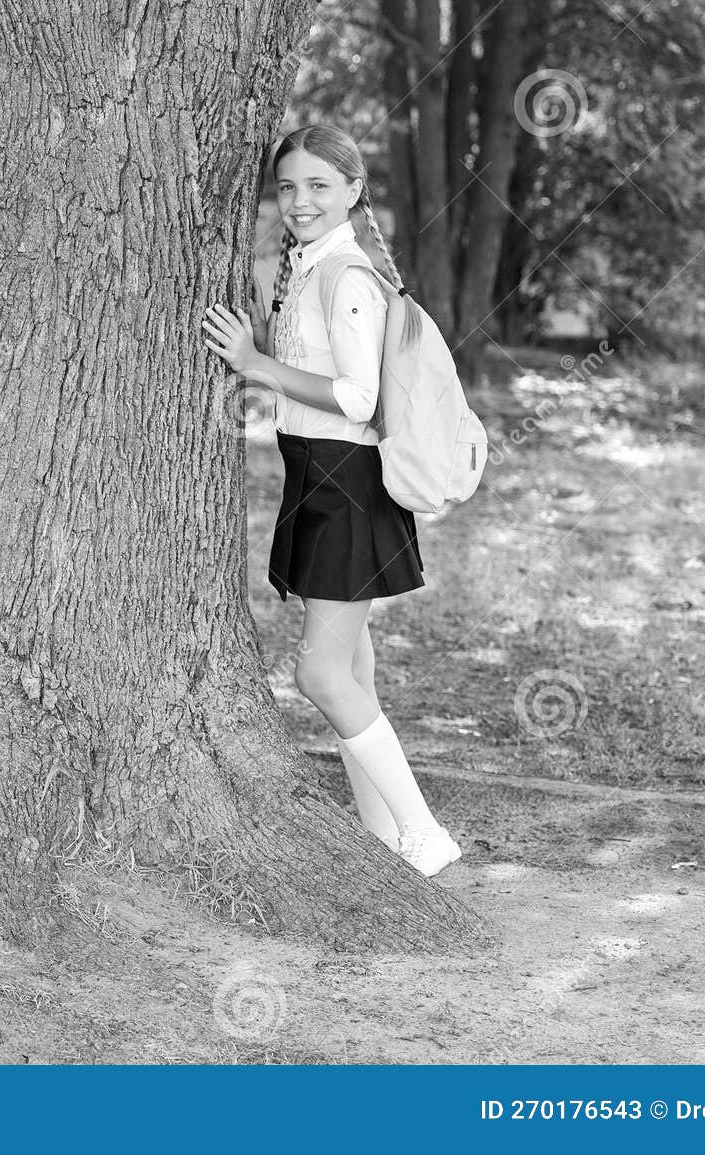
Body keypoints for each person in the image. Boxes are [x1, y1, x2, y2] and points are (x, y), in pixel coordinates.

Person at [201, 125, 461, 877]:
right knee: (356, 669)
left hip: (345, 485)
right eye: (287, 187)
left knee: (320, 674)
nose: (300, 200)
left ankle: (423, 833)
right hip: (320, 476)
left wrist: (256, 364)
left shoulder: (345, 275)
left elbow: (356, 396)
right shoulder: (309, 269)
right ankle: (381, 840)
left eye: (319, 185)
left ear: (353, 190)